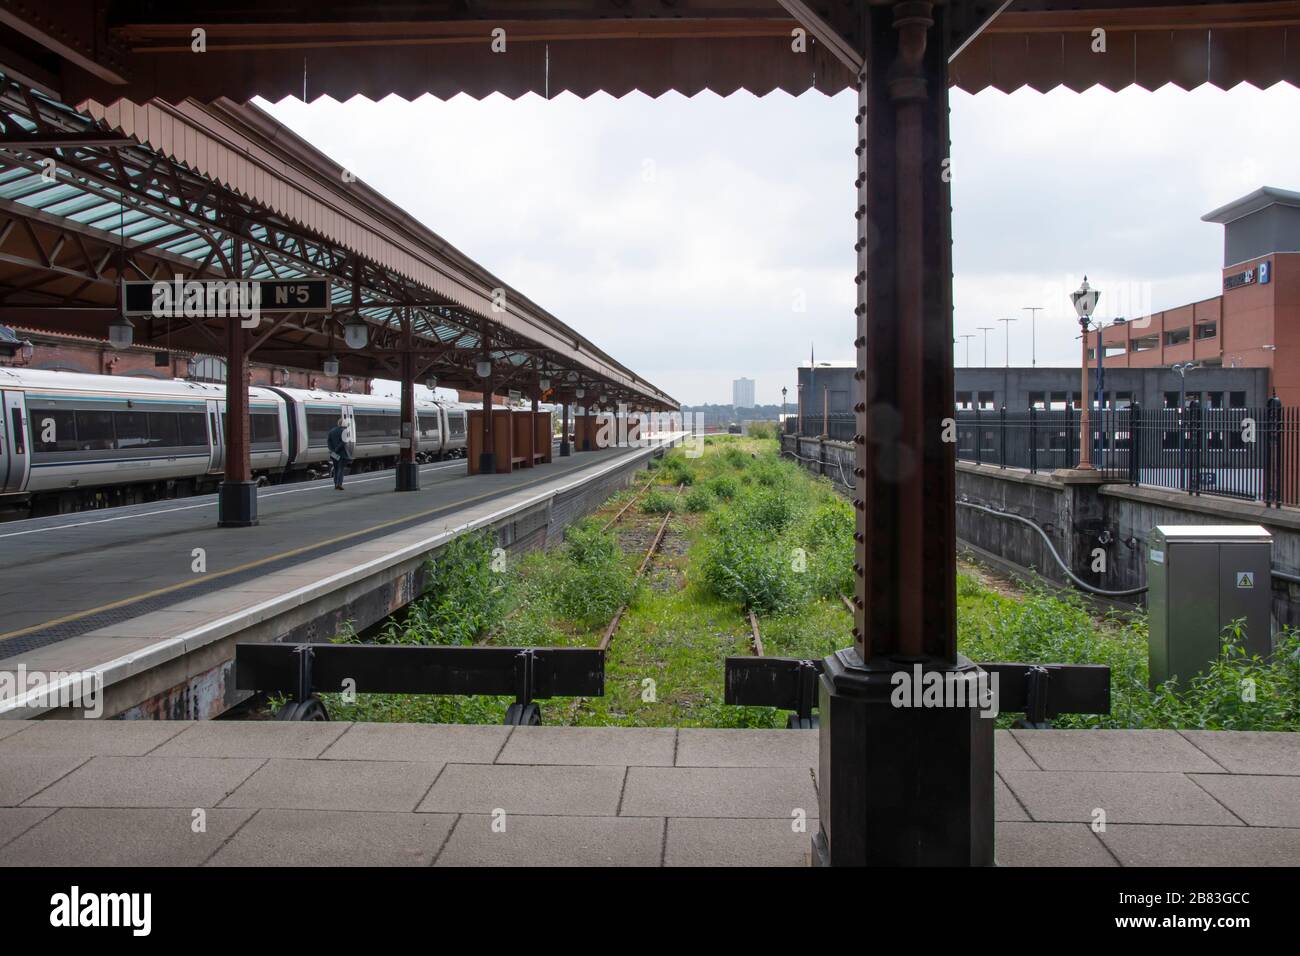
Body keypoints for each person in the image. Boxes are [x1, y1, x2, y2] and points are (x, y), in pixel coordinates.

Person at [327, 417, 351, 490]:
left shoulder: (331, 431)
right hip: (341, 453)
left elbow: (328, 442)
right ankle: (339, 484)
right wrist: (337, 449)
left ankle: (335, 484)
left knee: (336, 468)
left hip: (333, 453)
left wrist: (332, 450)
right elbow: (344, 442)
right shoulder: (344, 431)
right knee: (341, 469)